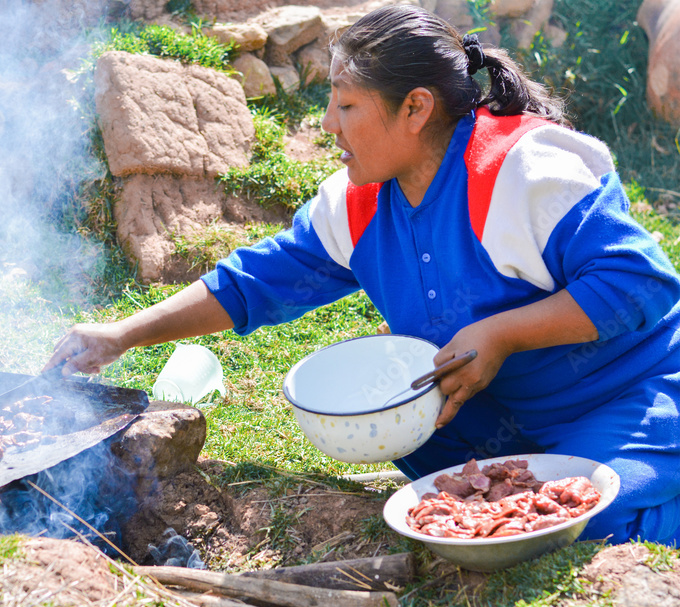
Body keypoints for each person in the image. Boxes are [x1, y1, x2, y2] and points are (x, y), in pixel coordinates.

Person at [45, 5, 680, 546]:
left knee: (578, 523)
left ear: (415, 108)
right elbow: (251, 283)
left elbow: (642, 283)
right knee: (460, 494)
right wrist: (122, 334)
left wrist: (501, 334)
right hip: (498, 416)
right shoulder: (358, 203)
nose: (328, 123)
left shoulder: (524, 171)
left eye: (346, 104)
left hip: (629, 398)